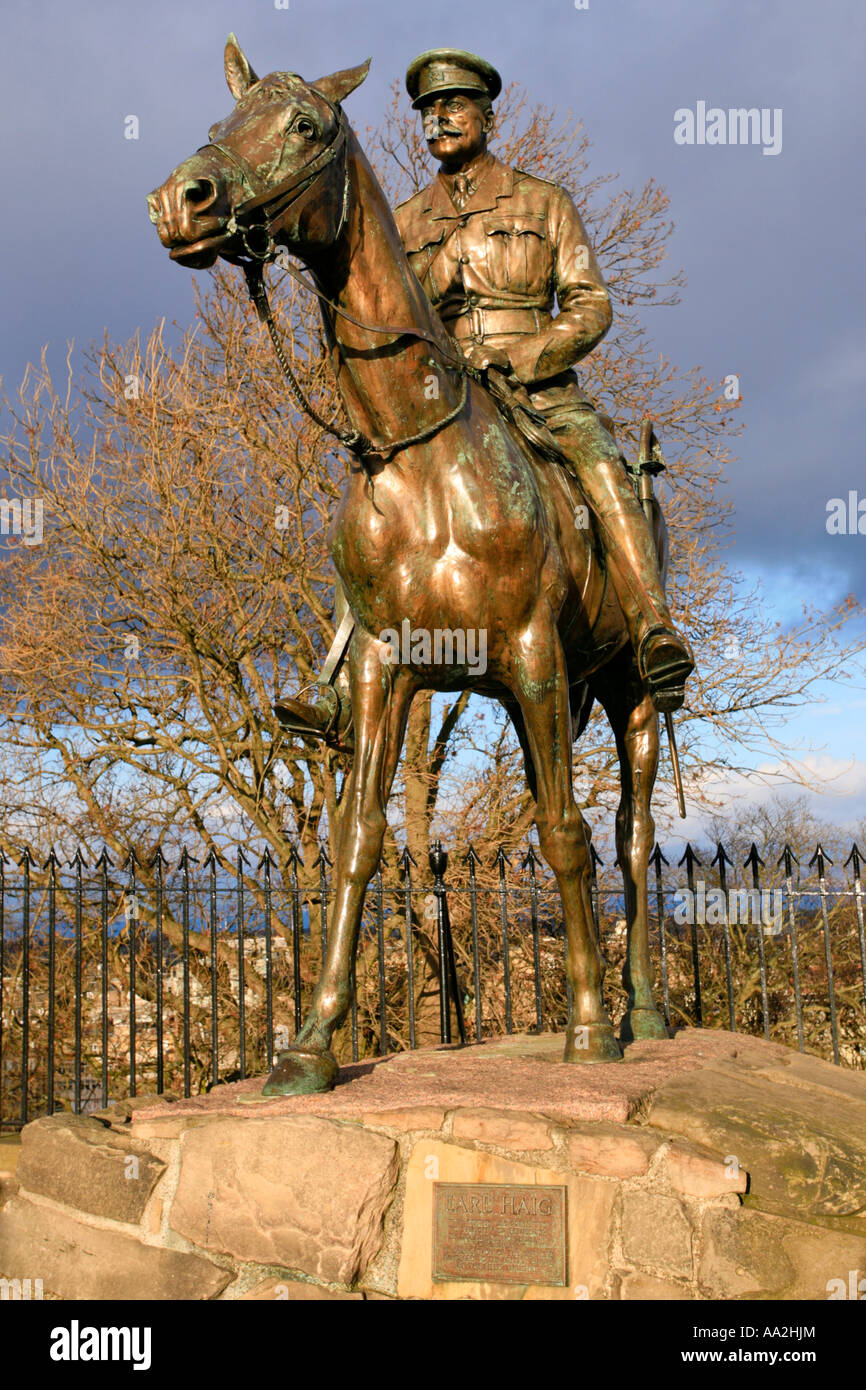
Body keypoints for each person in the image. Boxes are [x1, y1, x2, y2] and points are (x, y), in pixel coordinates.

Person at [275, 48, 694, 752]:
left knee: (600, 462)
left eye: (453, 105)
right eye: (427, 111)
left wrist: (526, 354)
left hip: (536, 389)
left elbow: (590, 307)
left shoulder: (543, 202)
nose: (438, 117)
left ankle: (653, 626)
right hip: (443, 399)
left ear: (487, 115)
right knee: (373, 504)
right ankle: (340, 682)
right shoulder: (403, 220)